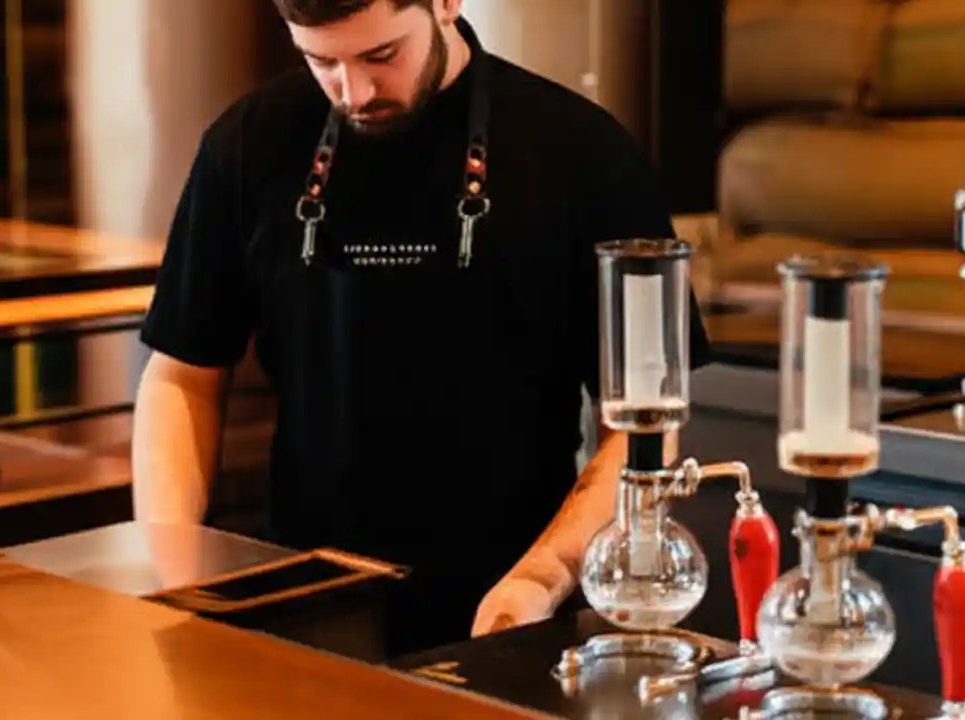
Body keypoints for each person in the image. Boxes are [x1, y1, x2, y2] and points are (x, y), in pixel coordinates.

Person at [132, 0, 712, 657]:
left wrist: (543, 578)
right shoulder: (248, 143)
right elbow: (182, 377)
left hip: (511, 609)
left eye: (381, 55)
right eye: (322, 62)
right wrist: (173, 568)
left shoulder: (584, 153)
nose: (355, 92)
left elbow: (646, 429)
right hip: (304, 610)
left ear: (445, 3)